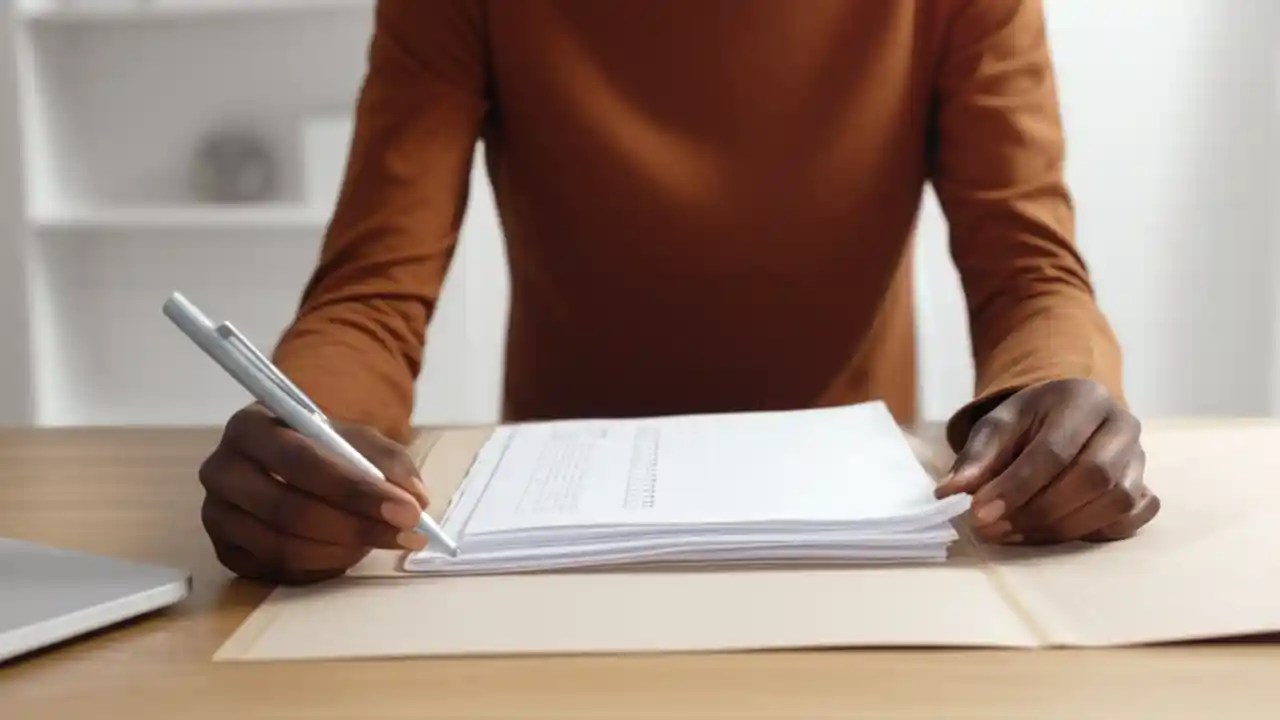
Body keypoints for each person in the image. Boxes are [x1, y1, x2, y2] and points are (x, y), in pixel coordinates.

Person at [197, 0, 1159, 583]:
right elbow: (373, 291)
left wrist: (1058, 400)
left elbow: (1030, 272)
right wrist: (306, 443)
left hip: (861, 544)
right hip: (553, 552)